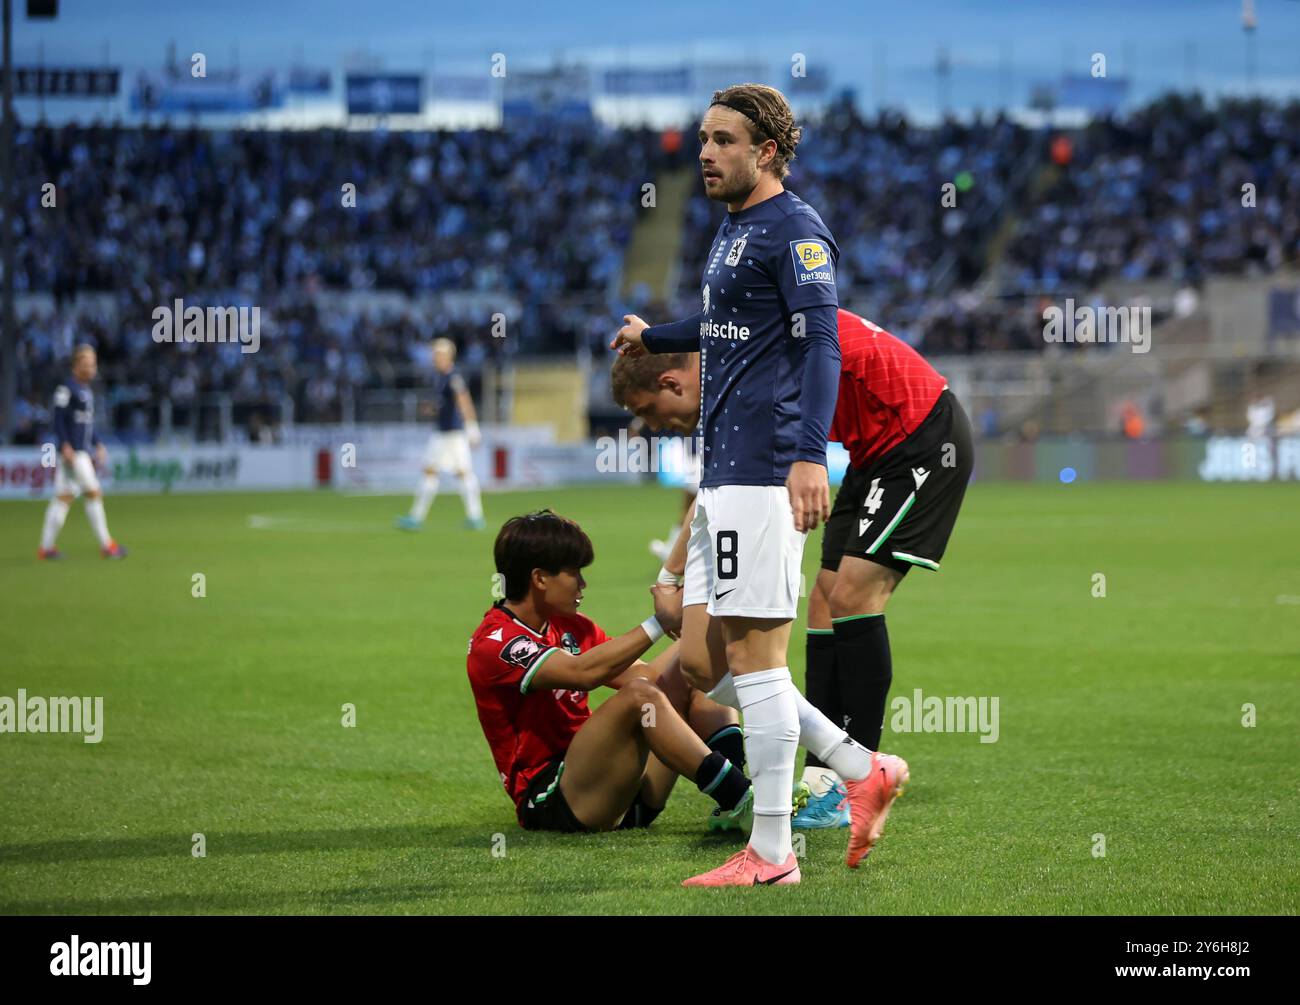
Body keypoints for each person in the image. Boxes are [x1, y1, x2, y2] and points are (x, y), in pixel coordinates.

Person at [612, 84, 896, 886]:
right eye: (703, 138)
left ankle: (773, 851)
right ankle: (856, 769)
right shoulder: (736, 230)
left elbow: (820, 347)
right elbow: (723, 323)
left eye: (724, 140)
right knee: (742, 654)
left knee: (760, 664)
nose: (706, 151)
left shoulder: (796, 230)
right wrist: (653, 335)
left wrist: (810, 454)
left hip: (765, 466)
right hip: (726, 469)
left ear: (766, 151)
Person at [467, 510, 754, 836]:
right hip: (557, 800)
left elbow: (644, 676)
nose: (583, 583)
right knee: (639, 698)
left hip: (619, 789)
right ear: (540, 578)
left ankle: (734, 802)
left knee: (694, 659)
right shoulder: (497, 642)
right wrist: (660, 622)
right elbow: (583, 672)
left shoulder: (570, 625)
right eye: (574, 572)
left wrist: (695, 609)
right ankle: (744, 799)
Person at [38, 345, 127, 561]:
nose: (91, 367)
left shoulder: (86, 391)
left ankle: (46, 548)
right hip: (75, 453)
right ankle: (107, 545)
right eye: (86, 363)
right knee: (94, 493)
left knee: (63, 498)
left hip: (81, 451)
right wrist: (65, 445)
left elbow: (88, 424)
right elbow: (57, 420)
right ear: (76, 366)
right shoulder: (66, 390)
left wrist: (98, 443)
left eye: (93, 363)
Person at [397, 338, 485, 531]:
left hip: (451, 433)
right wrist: (432, 409)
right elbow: (446, 404)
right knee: (444, 472)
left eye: (437, 354)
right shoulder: (441, 377)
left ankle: (418, 517)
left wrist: (472, 427)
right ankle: (473, 517)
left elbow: (463, 401)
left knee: (456, 473)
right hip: (445, 432)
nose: (434, 358)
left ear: (446, 355)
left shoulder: (453, 376)